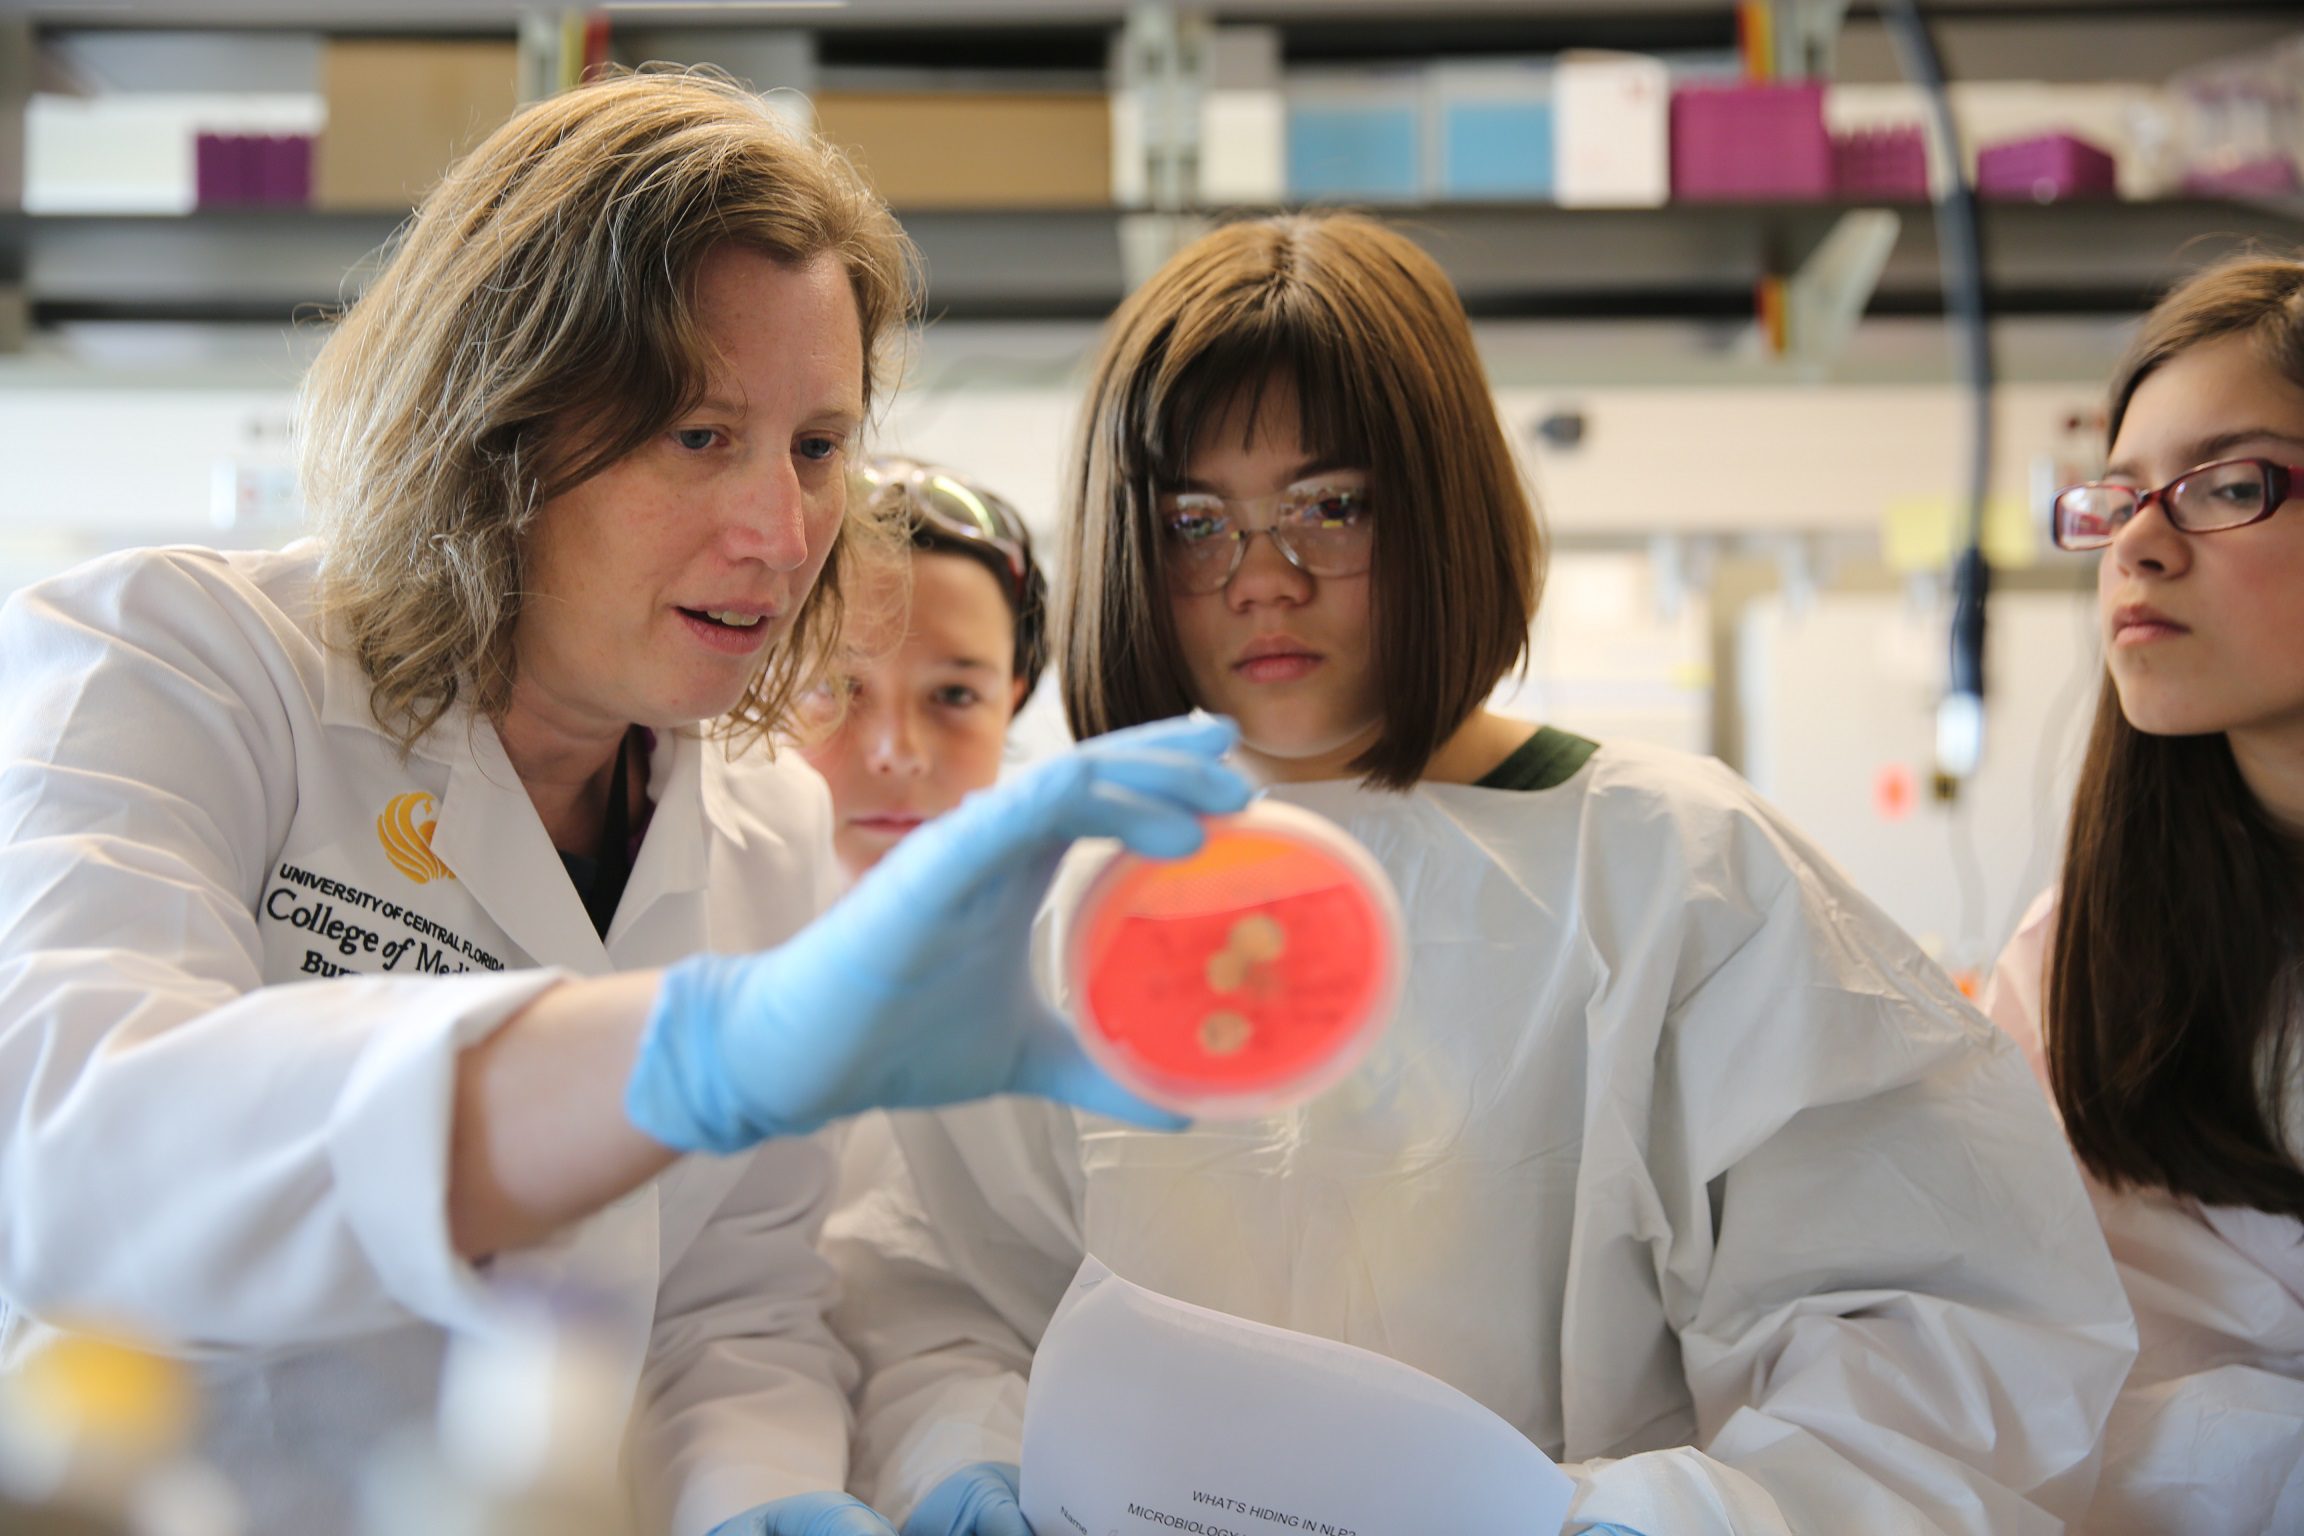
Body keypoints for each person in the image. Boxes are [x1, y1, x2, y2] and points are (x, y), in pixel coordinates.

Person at [0, 71, 1250, 1536]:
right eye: (699, 436)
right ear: (496, 426)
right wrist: (689, 1049)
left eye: (816, 446)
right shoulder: (172, 666)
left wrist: (759, 1499)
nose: (781, 535)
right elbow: (77, 1159)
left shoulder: (767, 826)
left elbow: (733, 1311)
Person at [824, 212, 2136, 1536]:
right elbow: (928, 1294)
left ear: (1443, 506)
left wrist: (1672, 1521)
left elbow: (1941, 1337)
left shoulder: (1678, 874)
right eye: (1194, 520)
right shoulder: (1056, 906)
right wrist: (965, 1465)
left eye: (1331, 509)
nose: (1262, 580)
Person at [1981, 253, 2304, 1535]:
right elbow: (2032, 1395)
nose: (2142, 545)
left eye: (2229, 484)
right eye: (2117, 500)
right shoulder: (2078, 962)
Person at [797, 457, 1049, 883]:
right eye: (838, 688)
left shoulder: (1073, 928)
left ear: (1012, 700)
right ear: (760, 695)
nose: (898, 753)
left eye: (955, 694)